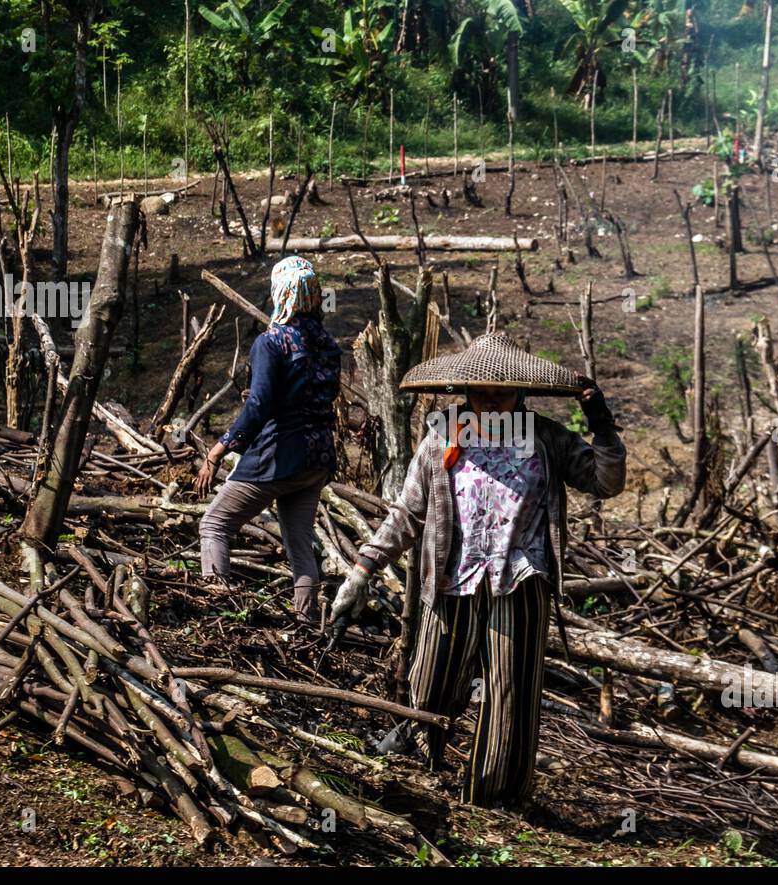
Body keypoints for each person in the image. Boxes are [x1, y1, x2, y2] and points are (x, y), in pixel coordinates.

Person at [330, 332, 626, 808]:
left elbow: (606, 482)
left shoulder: (546, 438)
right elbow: (409, 513)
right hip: (452, 578)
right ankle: (414, 766)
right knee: (430, 681)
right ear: (465, 392)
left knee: (510, 691)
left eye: (502, 393)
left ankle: (492, 797)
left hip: (520, 580)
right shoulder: (443, 437)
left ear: (520, 393)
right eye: (481, 392)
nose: (491, 402)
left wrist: (602, 425)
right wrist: (363, 570)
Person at [194, 256, 340, 623]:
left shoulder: (271, 342)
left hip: (278, 456)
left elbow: (258, 405)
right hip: (318, 459)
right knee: (300, 544)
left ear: (281, 293)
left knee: (215, 524)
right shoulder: (329, 345)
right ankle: (306, 621)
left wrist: (220, 447)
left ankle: (217, 613)